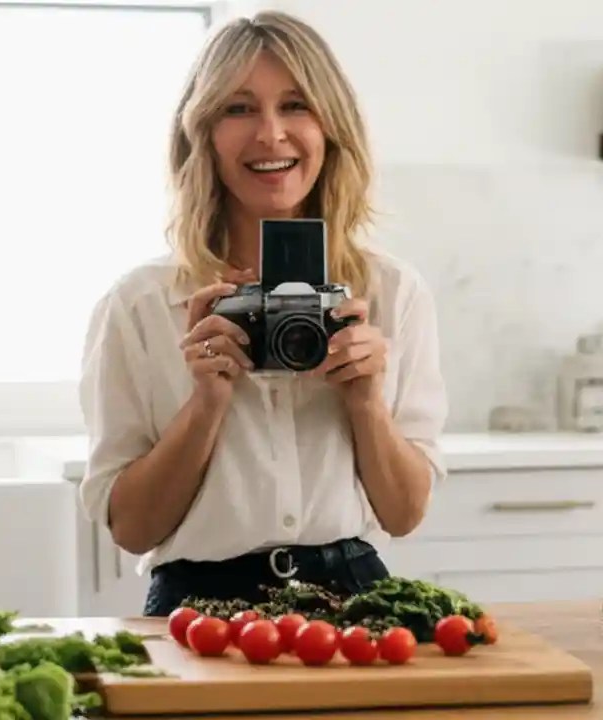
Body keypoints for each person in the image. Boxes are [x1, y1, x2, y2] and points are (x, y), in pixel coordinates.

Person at [77, 10, 448, 618]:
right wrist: (207, 402)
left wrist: (364, 402)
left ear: (332, 127)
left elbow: (404, 514)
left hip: (354, 598)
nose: (271, 134)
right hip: (197, 608)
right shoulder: (140, 305)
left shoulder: (391, 292)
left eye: (296, 105)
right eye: (238, 108)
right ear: (202, 134)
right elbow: (132, 530)